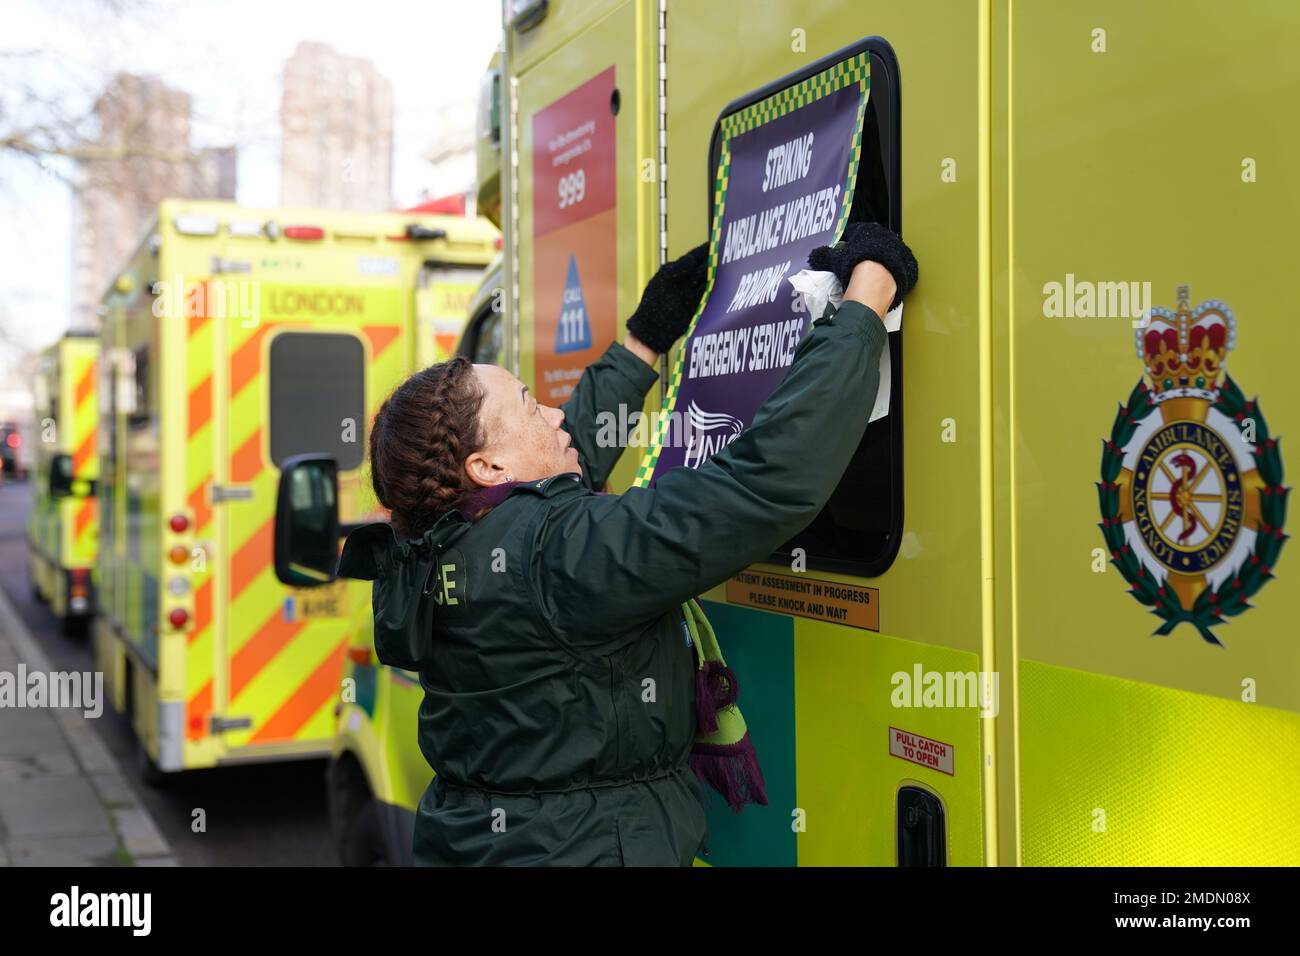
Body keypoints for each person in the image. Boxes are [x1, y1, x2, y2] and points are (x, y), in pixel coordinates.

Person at [338, 222, 918, 865]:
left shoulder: (439, 547)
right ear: (486, 469)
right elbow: (767, 481)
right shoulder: (561, 555)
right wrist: (866, 300)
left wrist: (643, 342)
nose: (556, 416)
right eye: (532, 407)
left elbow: (554, 481)